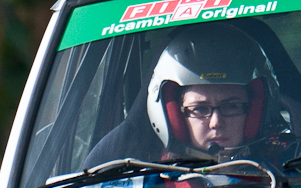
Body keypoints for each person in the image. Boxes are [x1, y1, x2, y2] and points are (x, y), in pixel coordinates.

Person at [84, 24, 287, 168]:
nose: (216, 122)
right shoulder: (145, 186)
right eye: (199, 109)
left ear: (255, 109)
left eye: (231, 106)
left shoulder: (293, 172)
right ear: (173, 117)